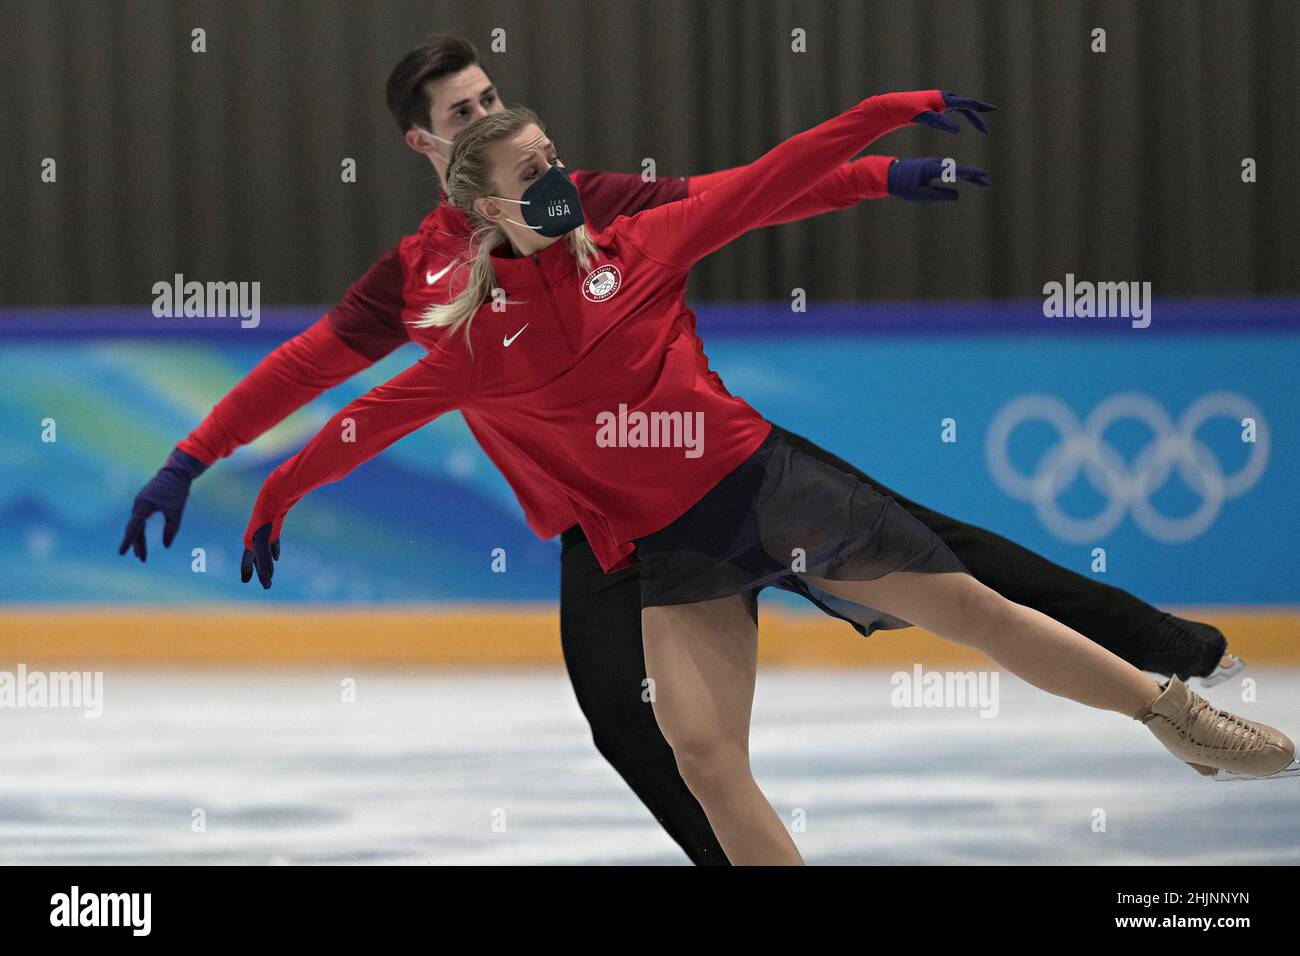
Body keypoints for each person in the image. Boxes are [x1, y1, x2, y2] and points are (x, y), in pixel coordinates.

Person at [120, 33, 1237, 866]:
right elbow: (334, 393)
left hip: (736, 470)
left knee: (964, 577)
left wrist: (885, 152)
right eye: (471, 115)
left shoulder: (608, 218)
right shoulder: (432, 298)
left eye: (500, 102)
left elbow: (749, 189)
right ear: (433, 149)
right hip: (613, 529)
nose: (507, 129)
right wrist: (210, 464)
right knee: (653, 731)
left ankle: (1165, 675)